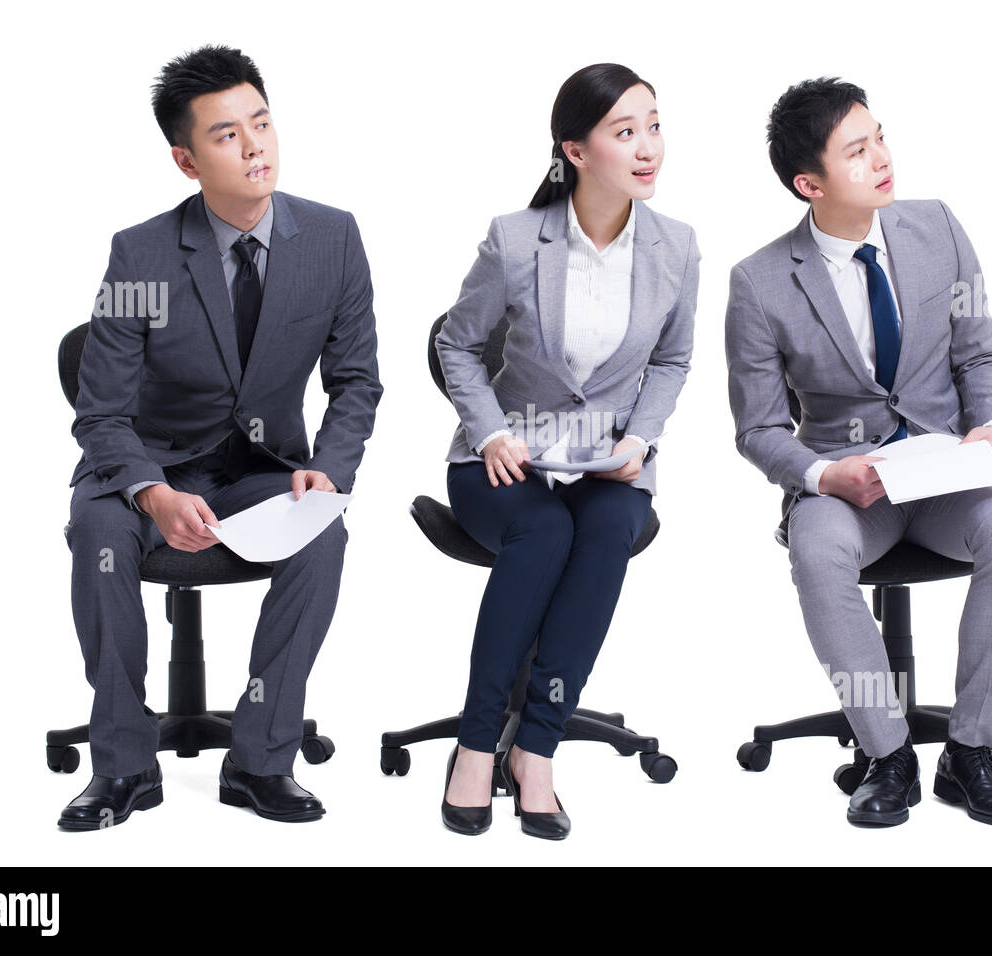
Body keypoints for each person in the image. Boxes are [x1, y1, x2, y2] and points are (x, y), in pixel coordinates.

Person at [60, 45, 382, 829]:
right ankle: (125, 764)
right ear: (185, 158)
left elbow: (356, 381)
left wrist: (329, 470)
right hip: (150, 467)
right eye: (228, 135)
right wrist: (152, 490)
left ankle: (262, 759)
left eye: (262, 124)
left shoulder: (333, 239)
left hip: (264, 469)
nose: (255, 147)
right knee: (99, 531)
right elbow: (100, 412)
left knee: (323, 536)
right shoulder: (139, 253)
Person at [724, 77, 992, 828]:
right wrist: (820, 473)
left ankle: (972, 752)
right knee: (817, 553)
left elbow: (981, 356)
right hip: (844, 487)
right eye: (856, 151)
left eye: (880, 138)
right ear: (810, 182)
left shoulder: (939, 229)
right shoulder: (760, 284)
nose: (882, 159)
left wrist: (991, 430)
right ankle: (887, 754)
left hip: (944, 476)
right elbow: (758, 428)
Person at [434, 63, 700, 840]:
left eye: (654, 124)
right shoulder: (517, 241)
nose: (648, 147)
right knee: (544, 530)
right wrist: (489, 430)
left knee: (608, 525)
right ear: (576, 151)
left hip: (608, 458)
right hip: (502, 458)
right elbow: (457, 343)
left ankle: (538, 750)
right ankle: (478, 742)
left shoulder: (676, 248)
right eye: (625, 132)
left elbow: (675, 361)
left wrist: (641, 438)